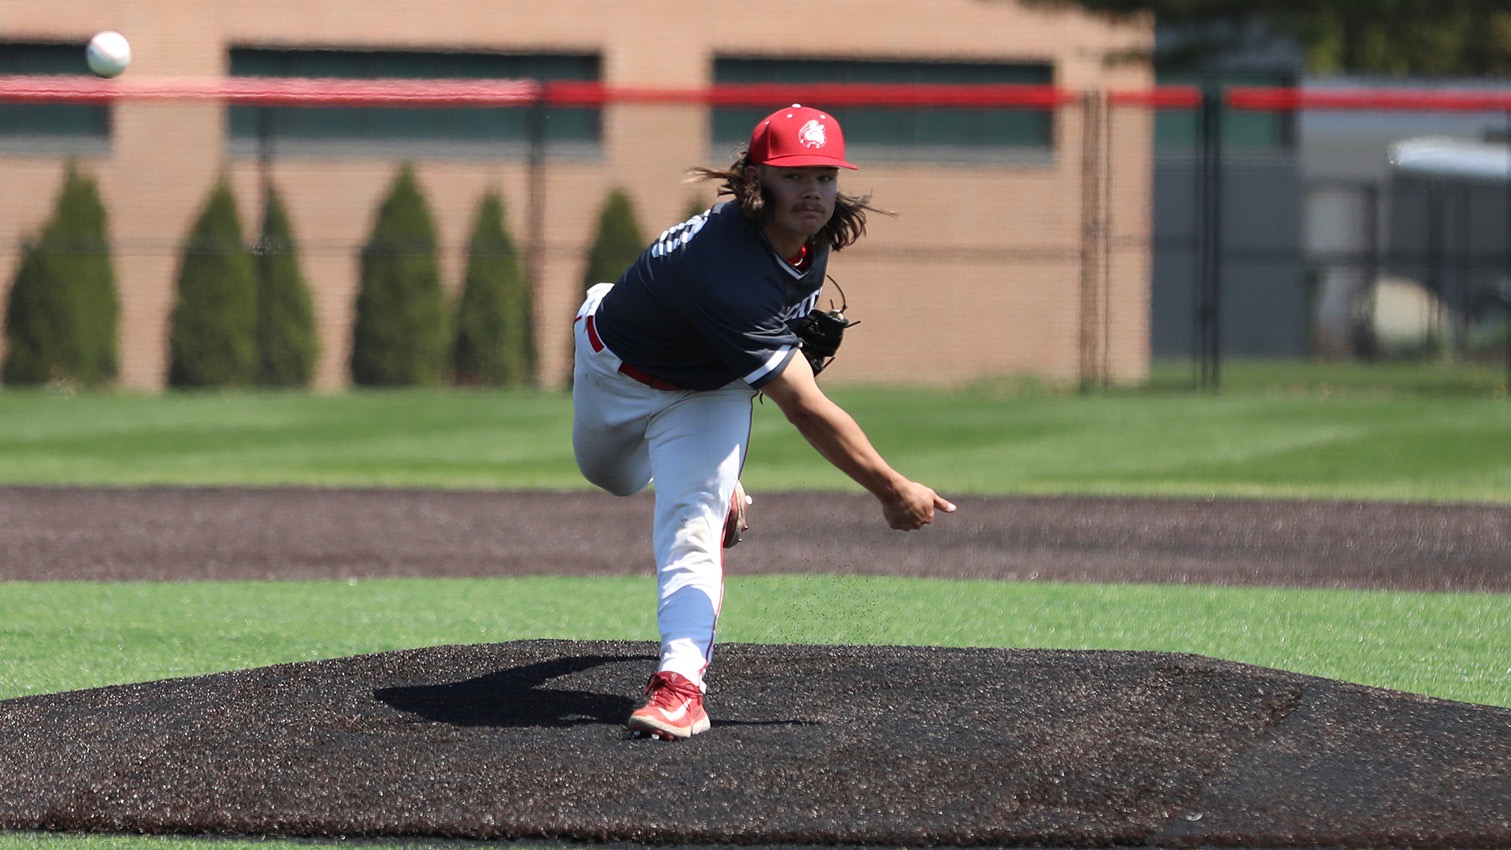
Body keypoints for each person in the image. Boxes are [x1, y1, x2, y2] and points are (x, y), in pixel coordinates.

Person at [571, 104, 955, 740]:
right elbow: (803, 405)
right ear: (756, 181)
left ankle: (679, 687)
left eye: (825, 176)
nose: (814, 191)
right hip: (614, 369)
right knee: (610, 477)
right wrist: (892, 488)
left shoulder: (808, 235)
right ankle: (715, 485)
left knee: (690, 527)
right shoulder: (726, 270)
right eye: (794, 175)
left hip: (709, 392)